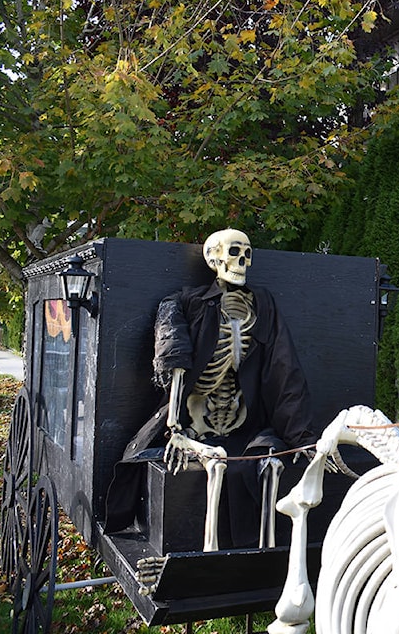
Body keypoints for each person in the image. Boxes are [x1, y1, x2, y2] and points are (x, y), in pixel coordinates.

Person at [105, 229, 318, 549]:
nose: (242, 261)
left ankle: (264, 554)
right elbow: (173, 355)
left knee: (265, 456)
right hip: (195, 423)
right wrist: (174, 427)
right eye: (234, 252)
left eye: (247, 254)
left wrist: (302, 438)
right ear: (213, 258)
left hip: (243, 425)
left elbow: (284, 370)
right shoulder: (186, 302)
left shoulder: (263, 303)